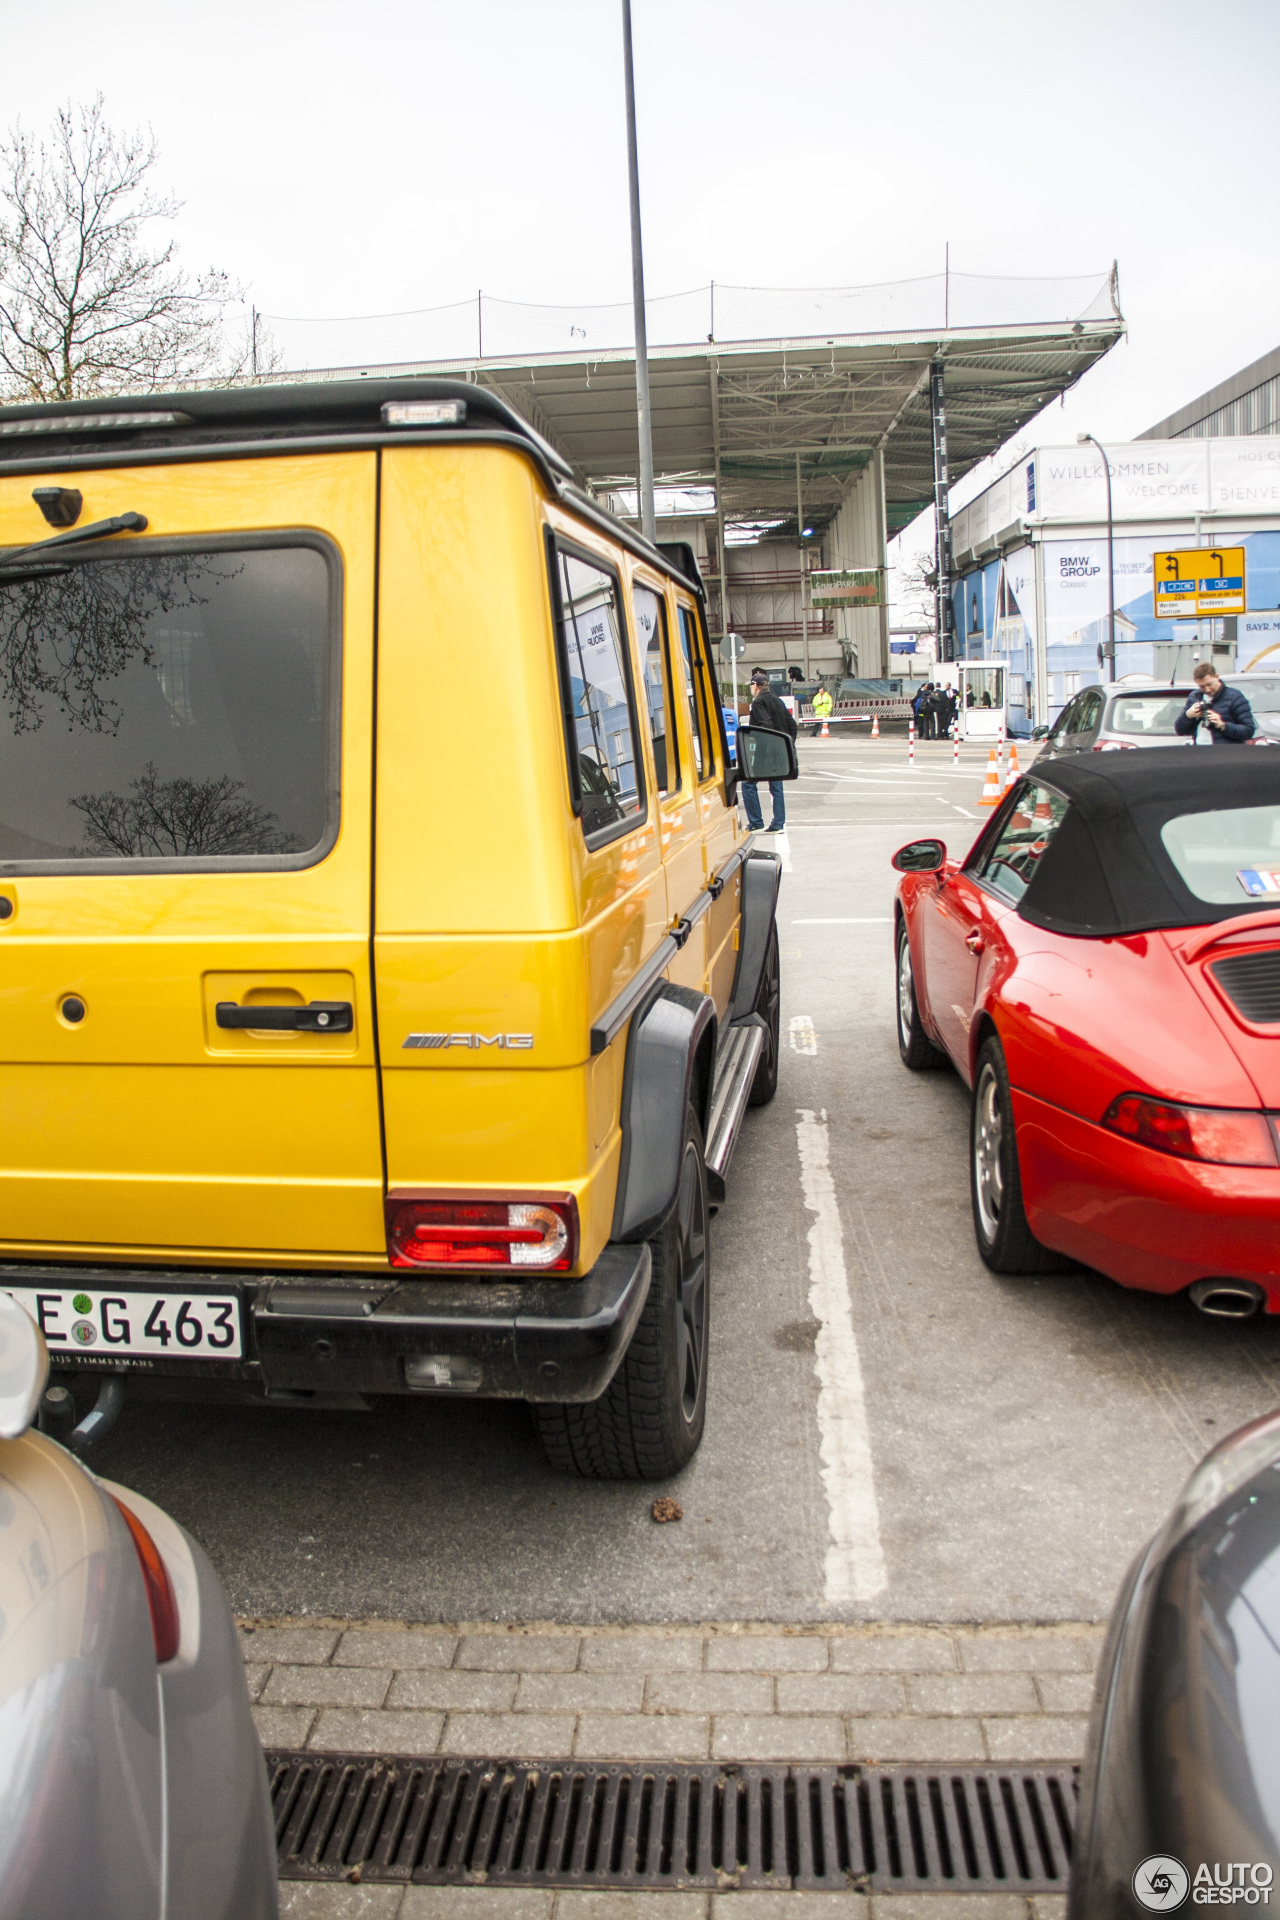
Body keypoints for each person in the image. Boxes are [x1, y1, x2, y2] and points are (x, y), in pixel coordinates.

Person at [740, 668, 796, 833]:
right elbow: (791, 723)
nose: (751, 688)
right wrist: (788, 743)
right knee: (776, 786)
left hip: (764, 749)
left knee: (748, 783)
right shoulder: (777, 700)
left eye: (751, 685)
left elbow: (765, 724)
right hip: (779, 749)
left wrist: (760, 745)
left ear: (756, 686)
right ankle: (778, 823)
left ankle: (756, 821)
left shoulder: (758, 702)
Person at [1174, 661, 1255, 744]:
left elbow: (1249, 731)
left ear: (1217, 677)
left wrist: (1222, 725)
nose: (1207, 689)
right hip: (1199, 753)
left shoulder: (1234, 697)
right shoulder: (1194, 697)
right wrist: (1188, 715)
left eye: (1209, 684)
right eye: (1202, 686)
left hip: (1225, 753)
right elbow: (1180, 731)